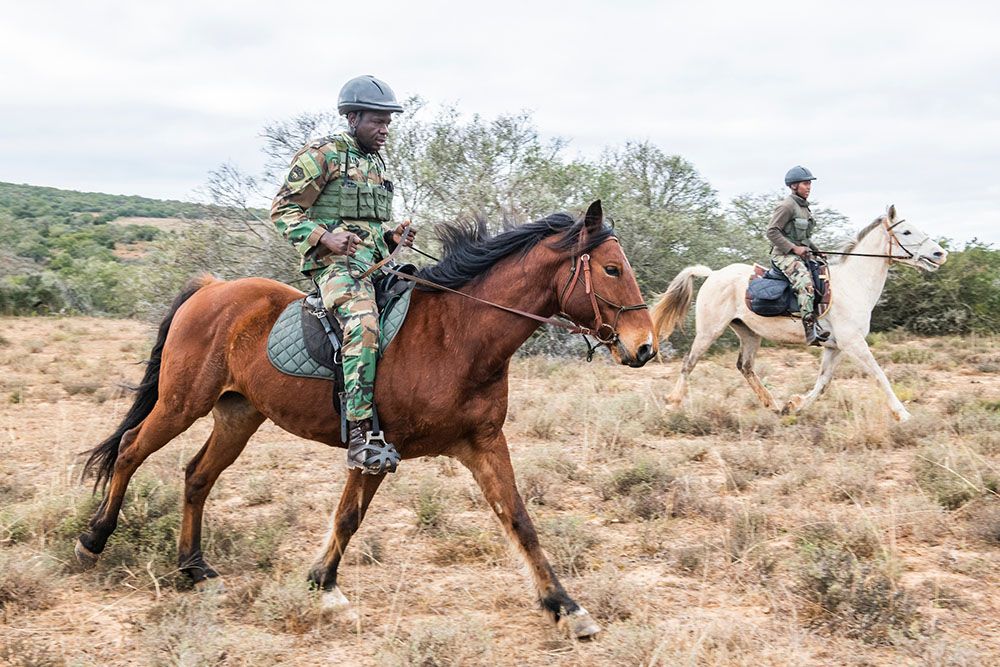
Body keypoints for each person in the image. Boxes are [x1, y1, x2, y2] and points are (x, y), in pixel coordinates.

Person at [270, 74, 415, 474]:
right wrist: (325, 238)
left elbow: (366, 227)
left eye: (388, 121)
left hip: (374, 264)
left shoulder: (375, 161)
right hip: (334, 268)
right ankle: (362, 434)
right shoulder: (325, 153)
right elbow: (282, 210)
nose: (385, 129)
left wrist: (392, 236)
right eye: (376, 120)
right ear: (352, 117)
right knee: (364, 322)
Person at [765, 165, 829, 346]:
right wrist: (793, 248)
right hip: (783, 256)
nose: (809, 187)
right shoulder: (786, 206)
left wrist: (817, 250)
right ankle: (810, 331)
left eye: (810, 184)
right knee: (805, 283)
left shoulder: (805, 208)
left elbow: (805, 238)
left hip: (799, 255)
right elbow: (772, 232)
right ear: (794, 186)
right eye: (805, 183)